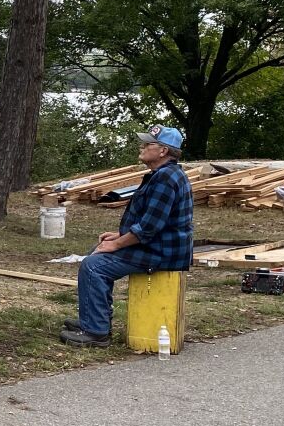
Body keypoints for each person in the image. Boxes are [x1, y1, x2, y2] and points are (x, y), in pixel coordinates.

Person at [62, 124, 194, 347]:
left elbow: (150, 227)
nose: (142, 147)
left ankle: (96, 333)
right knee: (94, 254)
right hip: (157, 245)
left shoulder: (165, 179)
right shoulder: (162, 175)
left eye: (148, 144)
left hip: (161, 252)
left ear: (163, 151)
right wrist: (119, 235)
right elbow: (150, 221)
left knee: (95, 266)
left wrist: (118, 245)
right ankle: (93, 320)